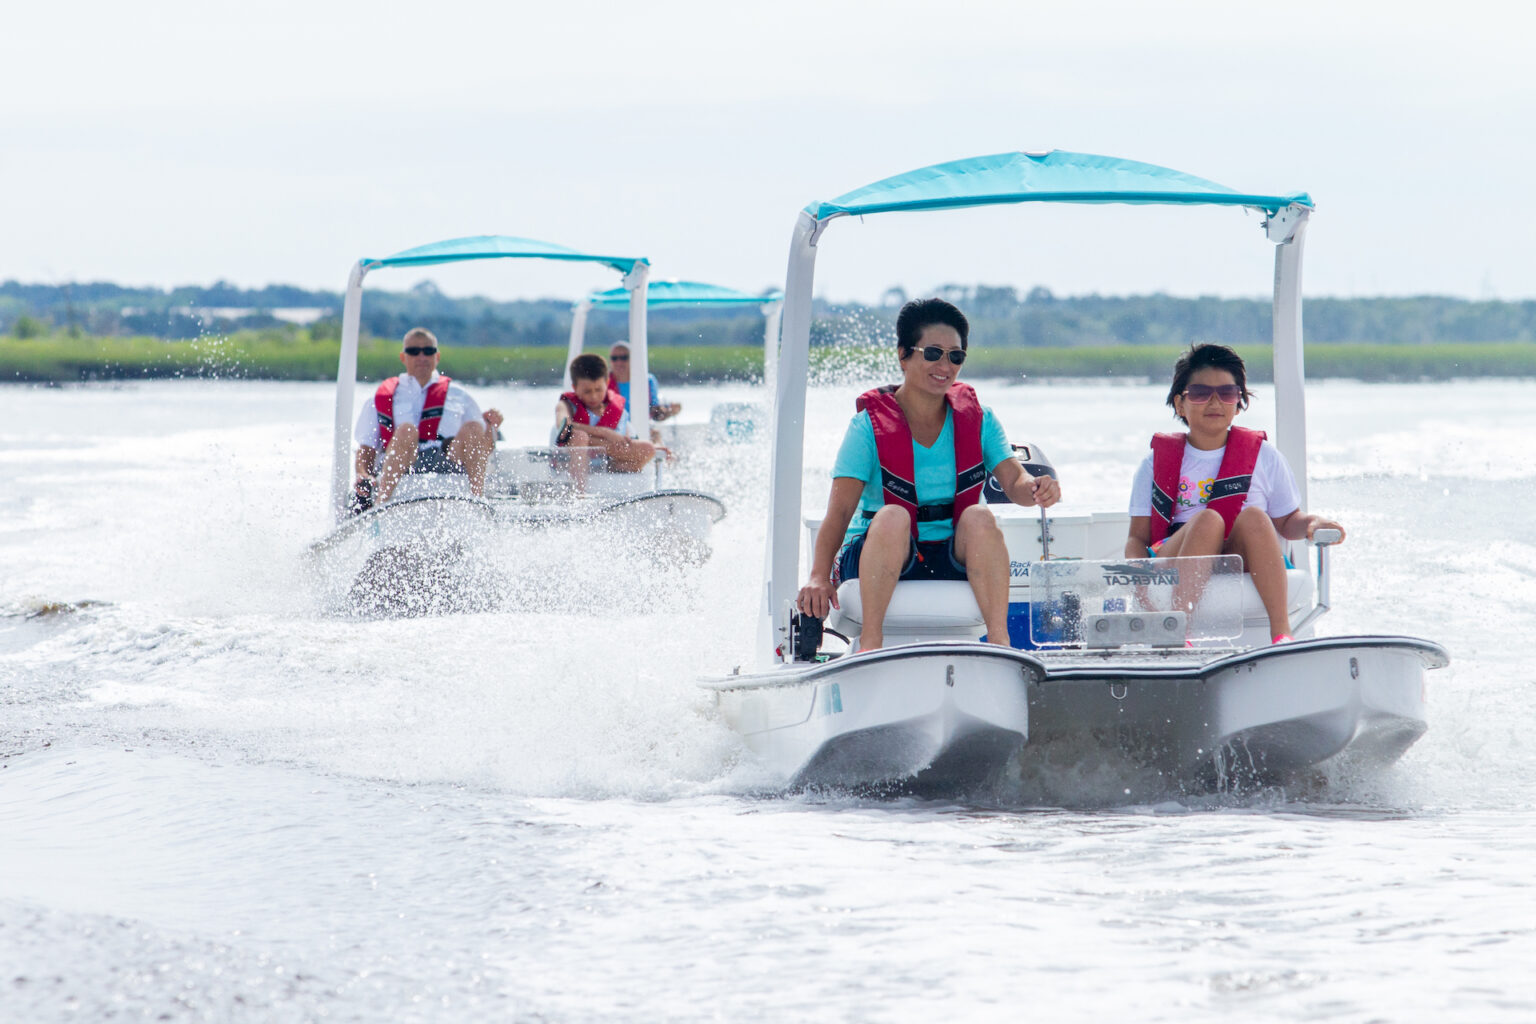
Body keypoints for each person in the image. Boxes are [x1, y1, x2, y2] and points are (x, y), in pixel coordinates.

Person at [795, 298, 1061, 651]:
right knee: (892, 516)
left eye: (956, 356)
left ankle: (1000, 646)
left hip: (950, 553)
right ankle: (871, 646)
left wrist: (1037, 488)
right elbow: (840, 512)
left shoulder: (980, 419)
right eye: (933, 353)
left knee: (980, 516)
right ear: (904, 355)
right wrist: (817, 576)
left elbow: (1014, 481)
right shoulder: (867, 428)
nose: (945, 365)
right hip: (880, 550)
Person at [1123, 342, 1345, 644]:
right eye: (1201, 393)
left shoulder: (1266, 457)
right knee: (1209, 521)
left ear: (1239, 403)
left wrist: (1312, 524)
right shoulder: (1153, 464)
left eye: (1227, 393)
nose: (1215, 402)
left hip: (1240, 551)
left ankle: (1281, 635)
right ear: (1180, 404)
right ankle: (1178, 632)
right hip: (1178, 552)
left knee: (1254, 516)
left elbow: (1288, 520)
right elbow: (1137, 537)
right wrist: (1139, 583)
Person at [351, 328, 503, 510]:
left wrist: (491, 427)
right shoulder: (380, 398)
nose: (421, 357)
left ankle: (477, 504)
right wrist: (362, 475)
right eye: (414, 352)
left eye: (428, 351)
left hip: (450, 459)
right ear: (403, 357)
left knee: (473, 427)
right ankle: (380, 506)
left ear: (437, 357)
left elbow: (484, 447)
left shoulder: (460, 395)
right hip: (402, 461)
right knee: (407, 431)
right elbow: (366, 448)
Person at [555, 353, 658, 478]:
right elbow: (564, 427)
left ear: (607, 382)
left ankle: (617, 483)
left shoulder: (618, 410)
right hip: (573, 459)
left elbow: (623, 441)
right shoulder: (566, 405)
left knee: (648, 448)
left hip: (609, 462)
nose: (593, 396)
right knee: (579, 436)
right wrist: (606, 433)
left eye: (598, 390)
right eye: (587, 391)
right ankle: (579, 495)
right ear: (574, 388)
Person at [608, 342, 681, 422]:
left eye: (624, 358)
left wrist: (669, 412)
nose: (619, 362)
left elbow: (655, 413)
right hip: (615, 429)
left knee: (655, 434)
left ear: (633, 359)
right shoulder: (604, 381)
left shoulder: (648, 380)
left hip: (641, 427)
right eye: (614, 358)